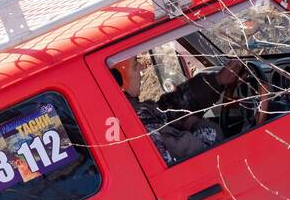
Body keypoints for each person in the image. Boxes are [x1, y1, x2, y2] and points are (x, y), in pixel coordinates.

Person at [111, 55, 264, 163]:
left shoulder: (129, 112)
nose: (142, 68)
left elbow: (168, 109)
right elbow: (205, 154)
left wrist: (217, 81)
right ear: (119, 80)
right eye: (135, 65)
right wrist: (200, 125)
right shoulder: (137, 122)